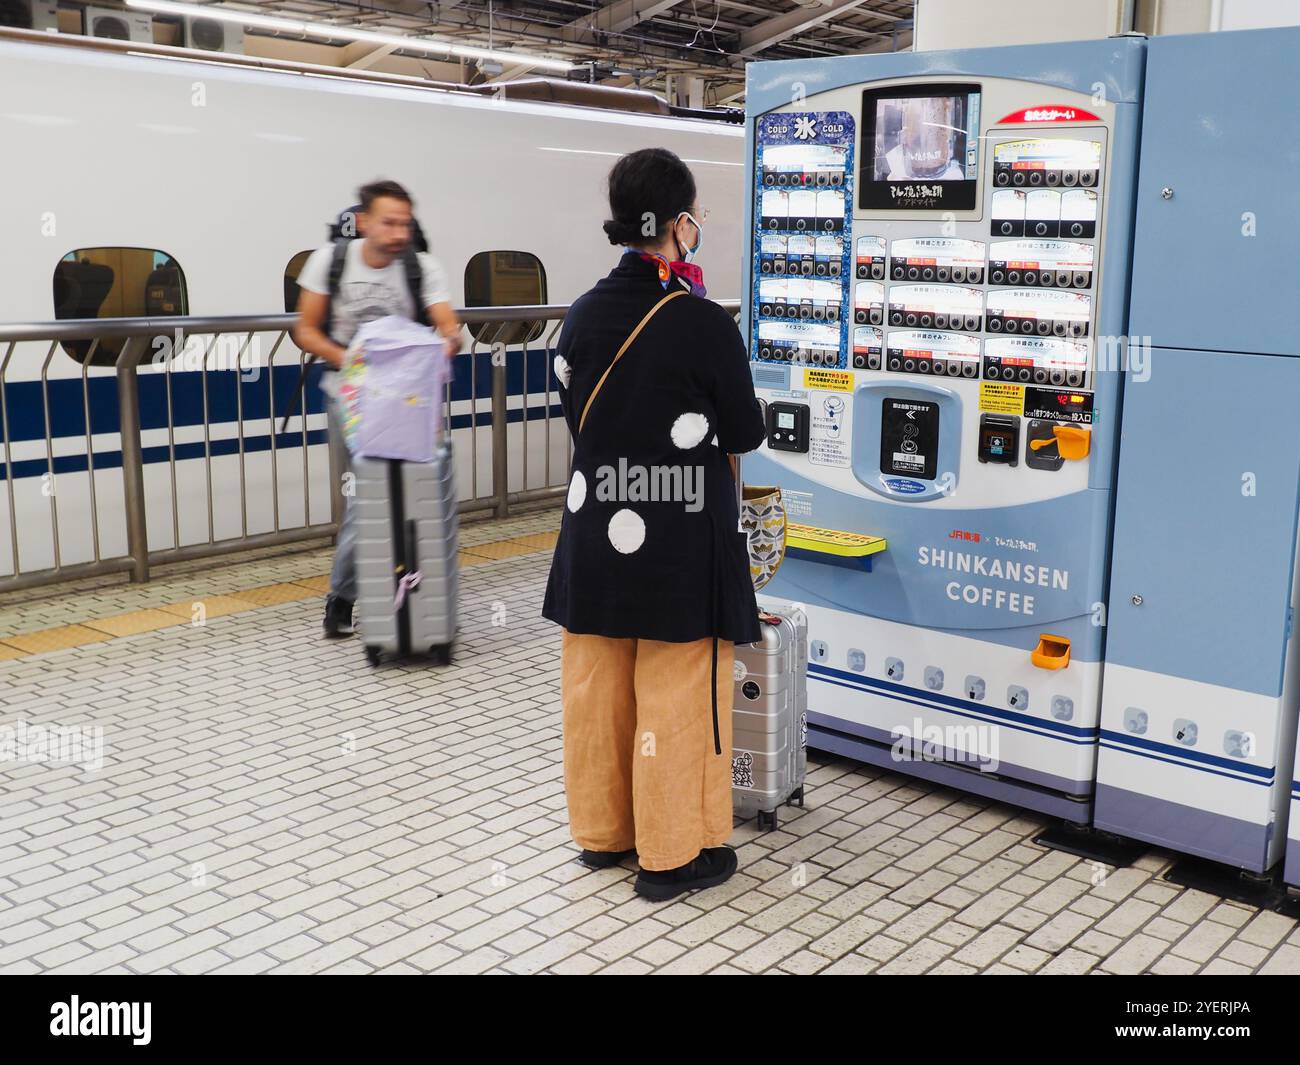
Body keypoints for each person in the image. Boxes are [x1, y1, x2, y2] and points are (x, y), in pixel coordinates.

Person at [542, 148, 767, 901]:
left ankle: (605, 835)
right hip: (679, 540)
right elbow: (743, 431)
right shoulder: (701, 323)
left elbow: (582, 418)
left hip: (595, 528)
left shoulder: (579, 315)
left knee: (597, 685)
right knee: (675, 690)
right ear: (678, 224)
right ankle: (673, 852)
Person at [293, 179, 462, 638]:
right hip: (349, 394)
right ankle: (346, 598)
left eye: (405, 223)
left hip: (408, 399)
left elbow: (448, 325)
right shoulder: (328, 262)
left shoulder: (421, 267)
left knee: (410, 492)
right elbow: (305, 330)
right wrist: (354, 362)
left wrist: (446, 343)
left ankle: (396, 593)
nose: (398, 233)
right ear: (364, 222)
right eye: (388, 223)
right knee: (371, 493)